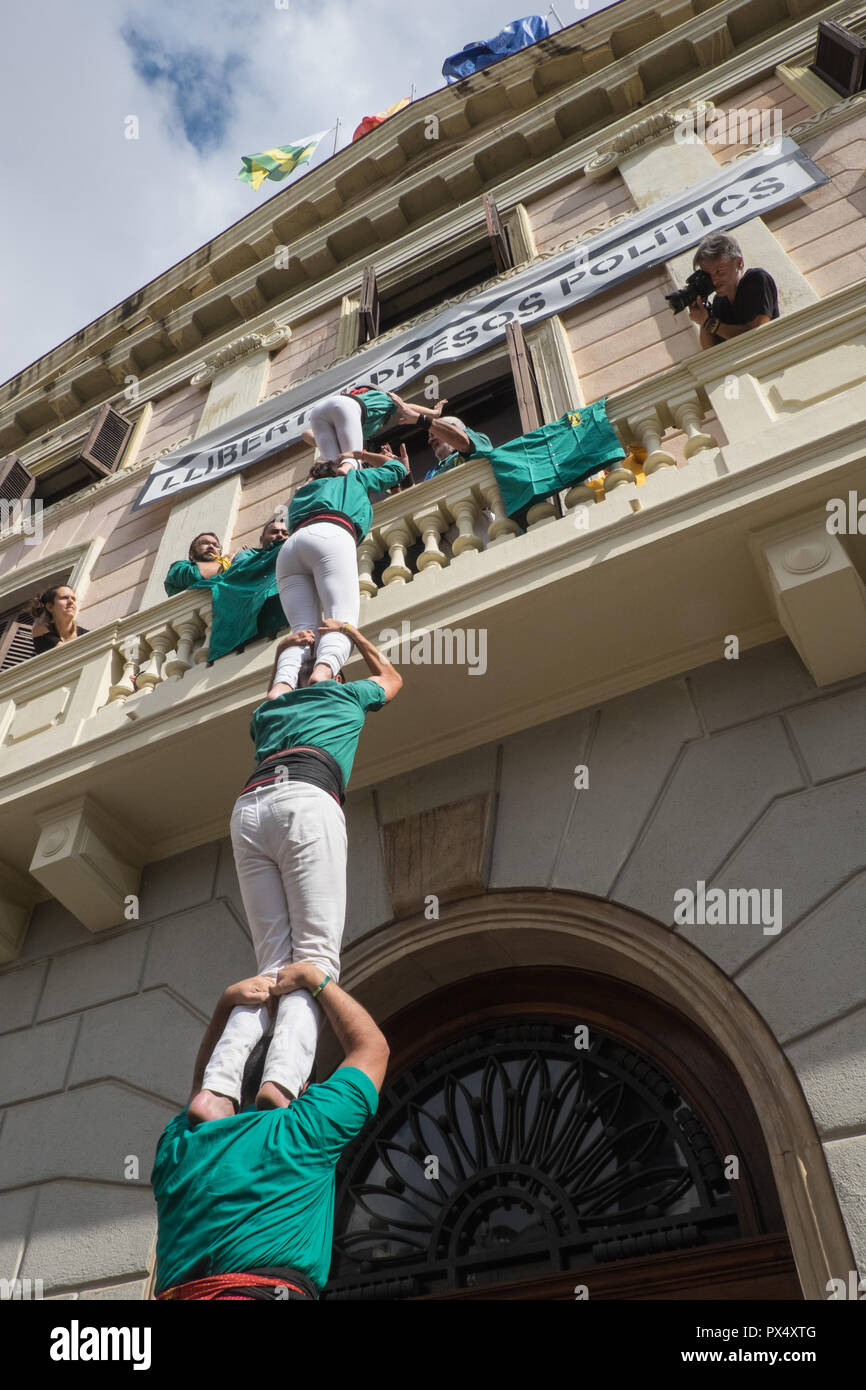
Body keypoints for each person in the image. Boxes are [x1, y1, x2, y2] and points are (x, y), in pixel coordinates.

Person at [186, 618, 401, 1125]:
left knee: (271, 967)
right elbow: (392, 678)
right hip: (306, 798)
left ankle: (217, 1090)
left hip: (250, 808)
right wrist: (354, 633)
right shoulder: (347, 699)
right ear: (338, 674)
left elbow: (278, 683)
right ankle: (280, 1078)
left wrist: (287, 648)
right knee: (314, 962)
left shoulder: (269, 712)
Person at [151, 962, 389, 1300]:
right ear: (304, 1089)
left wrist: (227, 1004)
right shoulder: (302, 1130)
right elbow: (373, 1050)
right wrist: (315, 980)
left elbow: (201, 1087)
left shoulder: (181, 1146)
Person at [274, 445, 409, 689]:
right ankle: (323, 672)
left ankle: (281, 686)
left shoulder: (301, 494)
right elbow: (397, 469)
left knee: (302, 630)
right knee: (341, 618)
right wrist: (360, 456)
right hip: (331, 534)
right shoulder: (352, 478)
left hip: (291, 549)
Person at [164, 528, 286, 663]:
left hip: (233, 632)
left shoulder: (228, 567)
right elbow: (195, 575)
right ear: (191, 555)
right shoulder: (180, 567)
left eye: (216, 545)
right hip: (197, 642)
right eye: (204, 543)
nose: (211, 546)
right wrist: (229, 558)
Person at [304, 386, 448, 465]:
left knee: (333, 464)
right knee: (352, 462)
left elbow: (305, 434)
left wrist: (328, 442)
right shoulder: (381, 400)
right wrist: (433, 413)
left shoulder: (349, 426)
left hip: (317, 412)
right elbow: (405, 407)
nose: (379, 429)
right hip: (347, 406)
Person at [688, 233, 779, 350]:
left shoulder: (756, 279)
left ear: (739, 263)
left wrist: (709, 323)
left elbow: (757, 334)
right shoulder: (719, 302)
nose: (714, 280)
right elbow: (710, 349)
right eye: (708, 275)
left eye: (719, 272)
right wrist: (703, 316)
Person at [422, 415, 494, 481]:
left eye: (433, 434)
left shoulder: (478, 441)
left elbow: (466, 443)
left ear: (452, 428)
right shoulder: (430, 473)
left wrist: (421, 419)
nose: (429, 441)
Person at [29, 585, 89, 654]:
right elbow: (65, 654)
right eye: (65, 598)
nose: (71, 601)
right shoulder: (41, 630)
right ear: (50, 607)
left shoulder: (86, 634)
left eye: (73, 598)